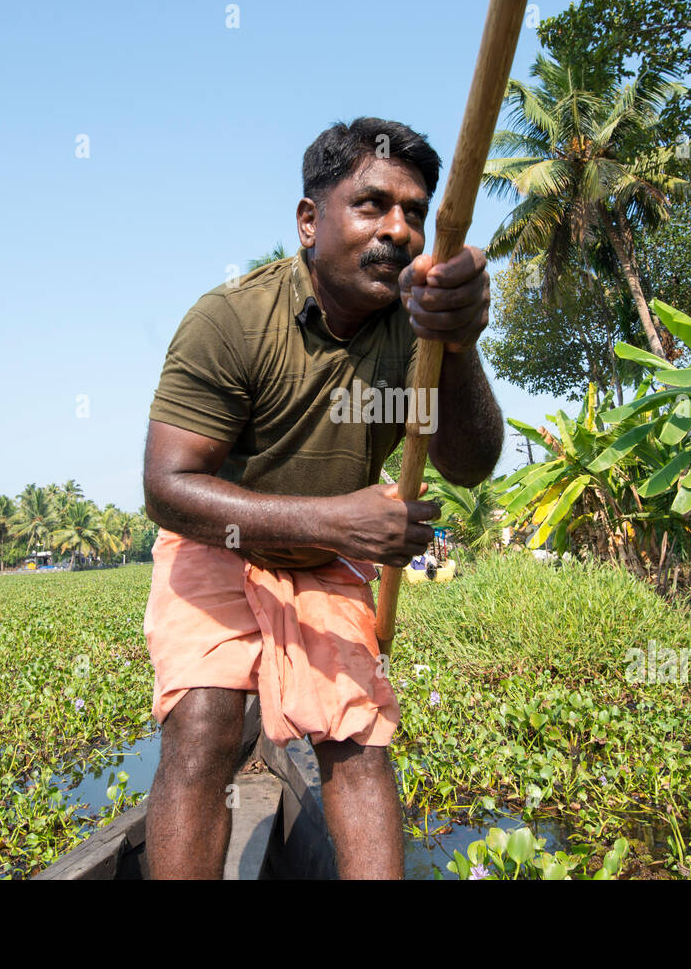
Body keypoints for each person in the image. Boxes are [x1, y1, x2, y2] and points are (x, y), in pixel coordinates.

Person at [141, 117, 503, 879]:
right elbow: (167, 489)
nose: (399, 230)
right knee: (204, 727)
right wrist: (339, 520)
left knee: (356, 738)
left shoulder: (415, 335)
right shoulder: (231, 320)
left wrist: (459, 344)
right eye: (372, 205)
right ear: (310, 222)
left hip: (330, 552)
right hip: (220, 535)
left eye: (414, 212)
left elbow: (470, 465)